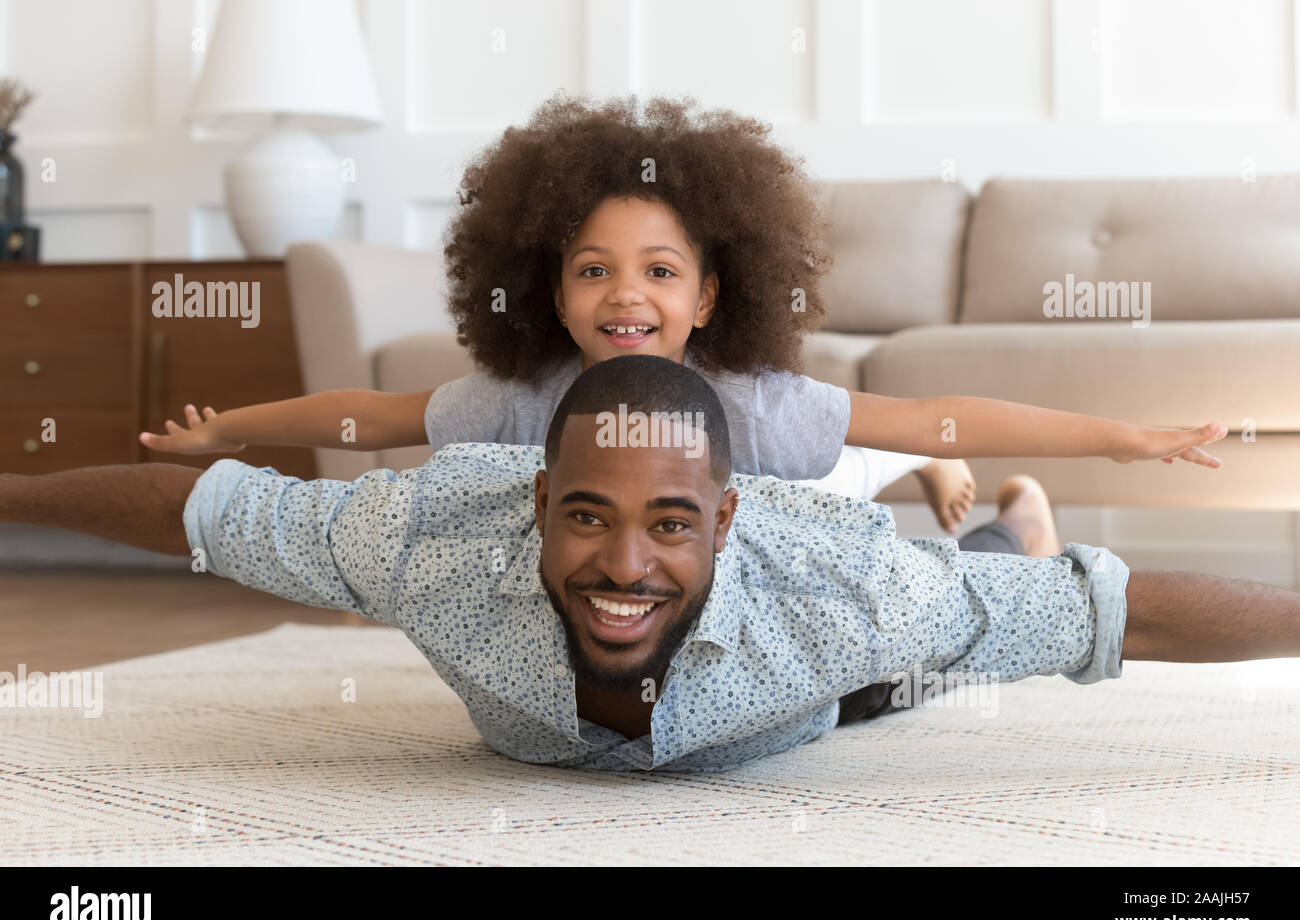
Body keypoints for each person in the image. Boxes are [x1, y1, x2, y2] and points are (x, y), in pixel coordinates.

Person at [8, 356, 1293, 773]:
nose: (621, 562)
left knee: (967, 627)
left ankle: (1013, 517)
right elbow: (210, 507)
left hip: (818, 687)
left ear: (725, 521)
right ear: (534, 503)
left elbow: (1109, 611)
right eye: (584, 515)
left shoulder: (850, 591)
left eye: (670, 523)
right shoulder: (426, 534)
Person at [138, 93, 1225, 539]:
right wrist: (232, 431)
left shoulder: (754, 403)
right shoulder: (519, 400)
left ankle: (1011, 526)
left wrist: (1121, 438)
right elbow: (369, 415)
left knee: (914, 622)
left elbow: (940, 411)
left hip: (803, 548)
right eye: (592, 270)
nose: (625, 294)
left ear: (707, 296)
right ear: (552, 293)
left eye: (660, 271)